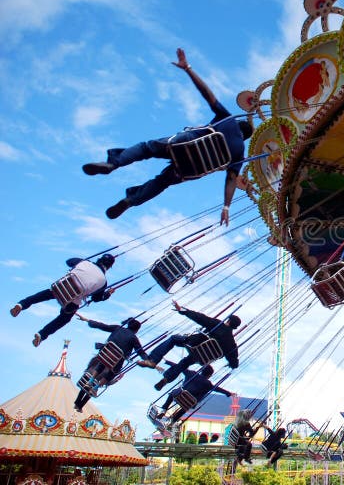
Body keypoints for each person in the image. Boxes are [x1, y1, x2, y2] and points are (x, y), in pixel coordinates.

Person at [82, 48, 253, 224]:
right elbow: (231, 179)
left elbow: (208, 95)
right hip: (191, 169)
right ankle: (130, 200)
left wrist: (188, 69)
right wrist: (226, 207)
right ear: (245, 138)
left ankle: (113, 163)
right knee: (162, 182)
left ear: (239, 124)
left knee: (146, 148)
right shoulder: (239, 153)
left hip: (183, 145)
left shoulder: (228, 120)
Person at [10, 254, 116, 347]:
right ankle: (42, 334)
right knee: (64, 319)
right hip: (72, 301)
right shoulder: (103, 281)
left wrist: (83, 262)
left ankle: (21, 304)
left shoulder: (84, 262)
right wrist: (107, 295)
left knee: (43, 295)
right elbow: (96, 298)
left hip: (60, 288)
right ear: (109, 267)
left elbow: (69, 261)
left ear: (100, 259)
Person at [149, 301, 240, 390]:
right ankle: (167, 379)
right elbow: (234, 362)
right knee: (185, 363)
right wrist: (232, 364)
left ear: (228, 321)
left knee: (174, 338)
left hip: (195, 345)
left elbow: (201, 318)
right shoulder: (231, 343)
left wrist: (183, 310)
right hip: (202, 358)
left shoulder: (218, 325)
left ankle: (153, 360)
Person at [73, 314, 156, 412]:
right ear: (137, 330)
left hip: (104, 355)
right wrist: (148, 360)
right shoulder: (134, 338)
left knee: (103, 362)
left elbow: (102, 326)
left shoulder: (118, 328)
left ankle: (90, 381)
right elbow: (140, 351)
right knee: (113, 372)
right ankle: (95, 387)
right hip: (115, 362)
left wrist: (87, 320)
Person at [159, 364, 233, 424]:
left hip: (179, 396)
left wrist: (167, 362)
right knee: (185, 407)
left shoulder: (192, 373)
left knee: (172, 393)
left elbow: (180, 366)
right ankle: (173, 421)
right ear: (209, 375)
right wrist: (228, 393)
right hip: (190, 402)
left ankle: (164, 409)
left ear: (202, 371)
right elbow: (217, 389)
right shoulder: (208, 384)